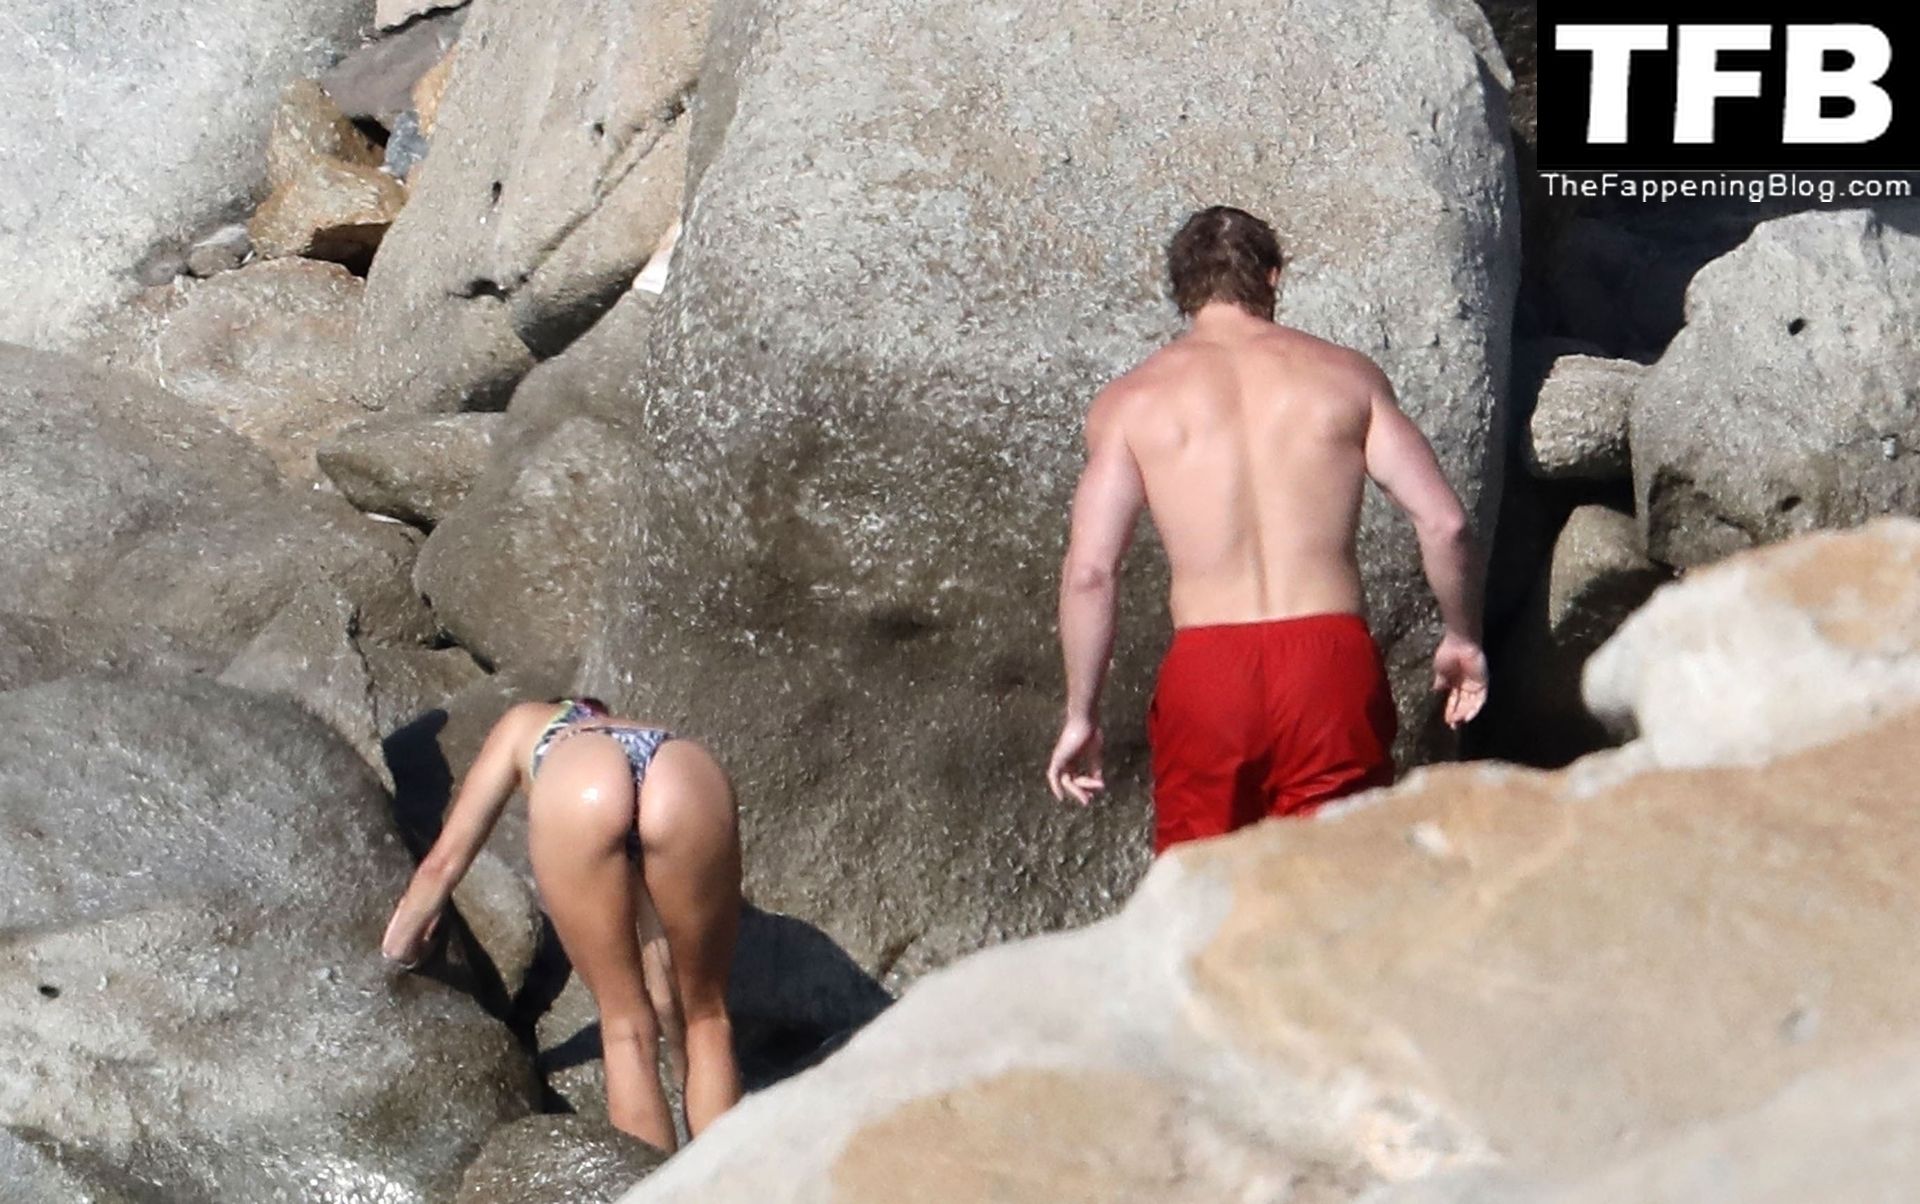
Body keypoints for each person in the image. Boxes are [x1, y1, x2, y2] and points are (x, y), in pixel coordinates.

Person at [1045, 205, 1488, 853]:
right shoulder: (1347, 378)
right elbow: (1445, 523)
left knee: (1202, 886)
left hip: (1208, 673)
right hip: (1328, 665)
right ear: (1274, 276)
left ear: (1181, 290)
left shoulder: (1130, 403)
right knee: (1339, 877)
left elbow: (1090, 573)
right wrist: (1462, 636)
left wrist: (1081, 714)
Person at [382, 697, 743, 1149]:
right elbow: (665, 982)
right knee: (708, 1020)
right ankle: (730, 1176)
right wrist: (682, 1067)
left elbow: (443, 865)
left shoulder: (523, 723)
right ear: (599, 711)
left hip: (580, 780)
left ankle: (656, 1182)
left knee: (625, 1029)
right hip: (676, 767)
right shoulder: (622, 722)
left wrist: (396, 953)